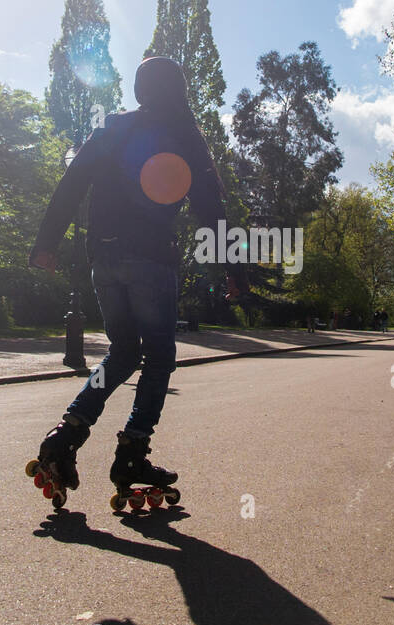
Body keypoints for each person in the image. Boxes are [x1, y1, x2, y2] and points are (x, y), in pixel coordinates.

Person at [27, 56, 247, 505]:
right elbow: (210, 210)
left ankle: (65, 435)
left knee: (124, 351)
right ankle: (132, 452)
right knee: (159, 355)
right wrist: (233, 268)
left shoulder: (111, 128)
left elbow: (72, 182)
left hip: (103, 258)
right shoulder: (185, 136)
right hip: (149, 260)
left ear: (139, 89)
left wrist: (46, 242)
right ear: (179, 91)